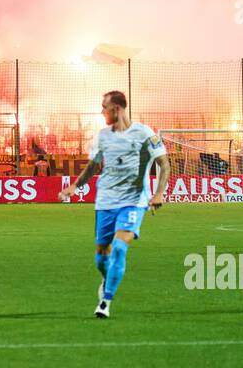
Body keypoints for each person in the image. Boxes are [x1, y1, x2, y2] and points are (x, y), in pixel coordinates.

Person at [59, 91, 169, 319]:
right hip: (106, 202)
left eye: (104, 107)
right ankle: (106, 278)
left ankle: (105, 302)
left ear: (116, 109)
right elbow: (92, 167)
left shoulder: (144, 133)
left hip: (133, 202)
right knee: (101, 256)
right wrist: (74, 187)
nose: (102, 111)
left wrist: (158, 193)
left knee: (119, 248)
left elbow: (164, 164)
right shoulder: (102, 136)